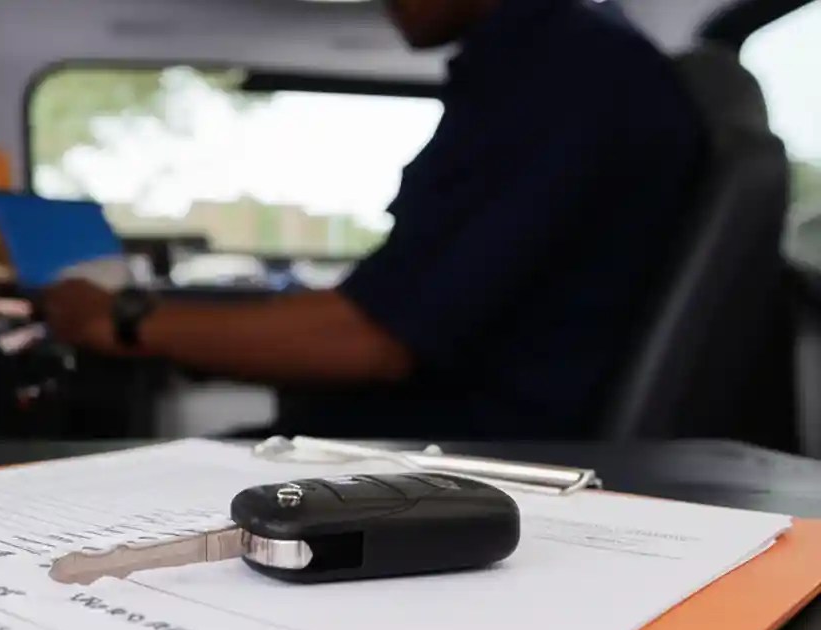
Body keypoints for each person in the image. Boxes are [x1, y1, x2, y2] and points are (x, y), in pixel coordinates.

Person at [42, 0, 707, 439]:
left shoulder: (570, 76)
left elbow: (372, 341)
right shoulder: (540, 67)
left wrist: (119, 320)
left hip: (460, 459)